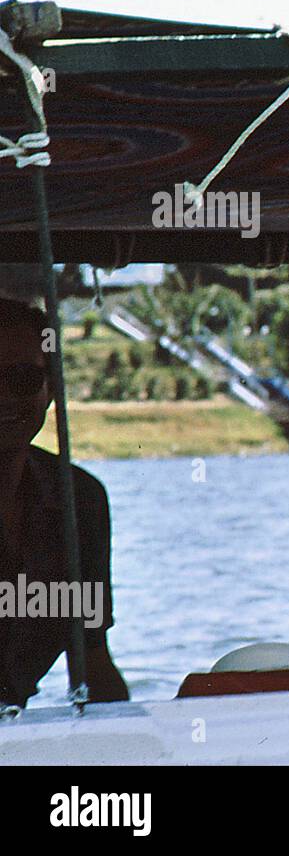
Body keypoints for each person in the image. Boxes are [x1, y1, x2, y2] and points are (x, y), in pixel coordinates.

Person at [0, 297, 129, 708]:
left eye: (22, 379)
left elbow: (90, 659)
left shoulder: (79, 501)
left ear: (50, 390)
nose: (3, 396)